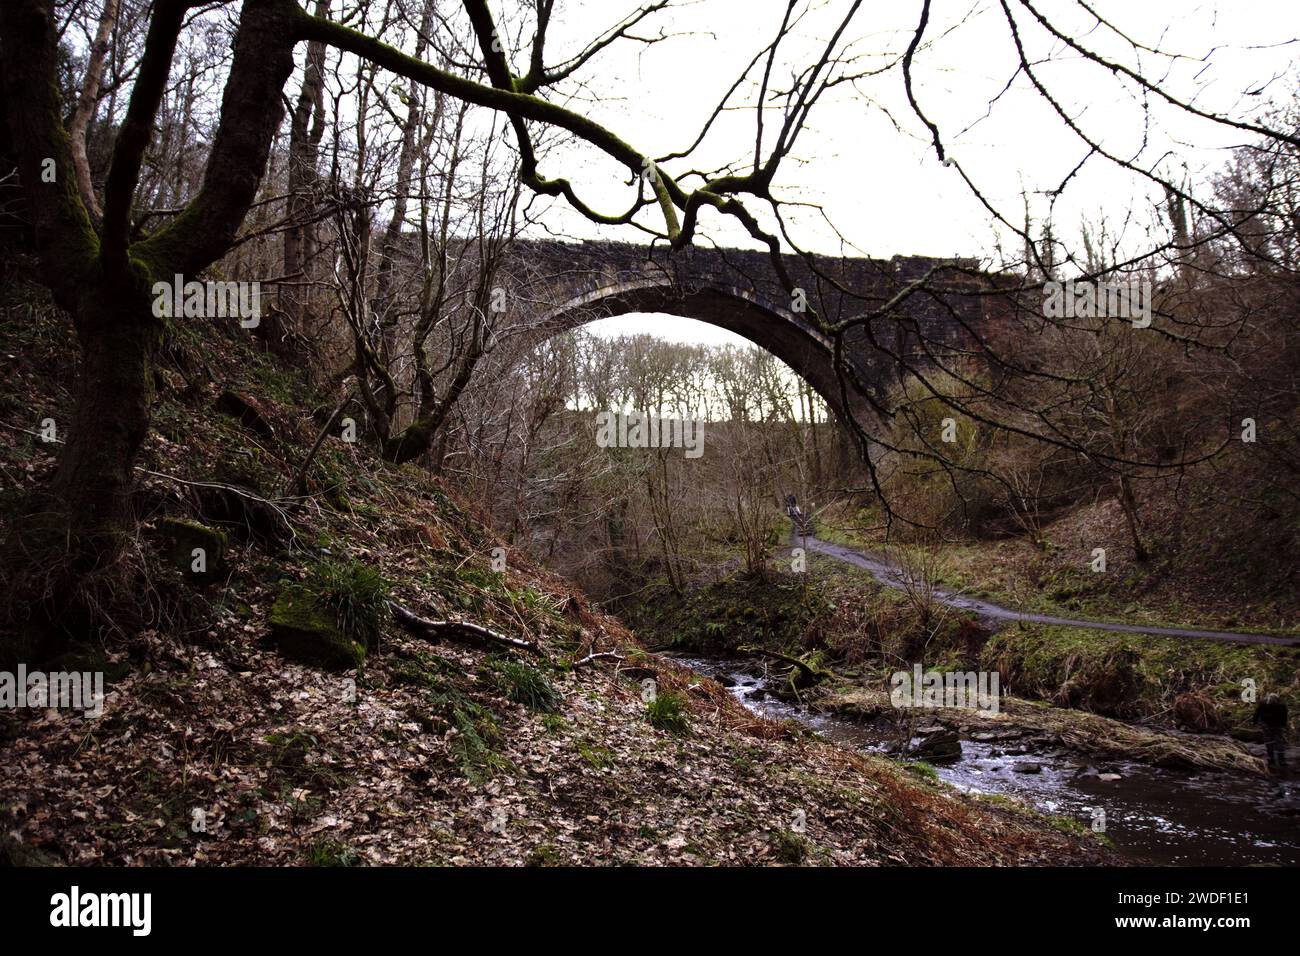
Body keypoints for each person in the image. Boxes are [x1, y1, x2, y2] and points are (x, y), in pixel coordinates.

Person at [1252, 694, 1289, 774]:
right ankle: (1281, 759)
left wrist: (1254, 721)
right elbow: (1285, 715)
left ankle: (1271, 758)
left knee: (1269, 740)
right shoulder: (1281, 705)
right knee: (1279, 740)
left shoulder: (1263, 703)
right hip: (1277, 725)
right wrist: (1284, 725)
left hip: (1266, 725)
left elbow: (1257, 712)